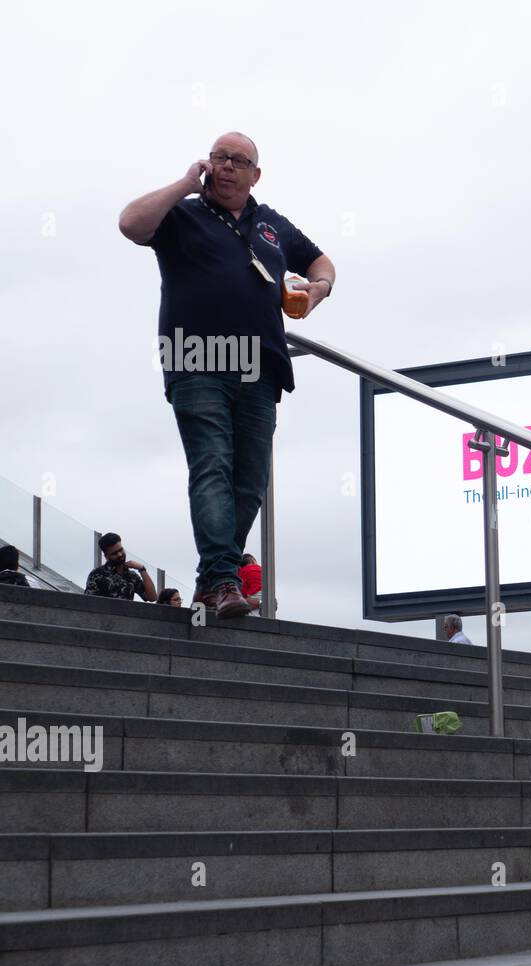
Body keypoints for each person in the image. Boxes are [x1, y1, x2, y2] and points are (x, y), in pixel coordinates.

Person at [119, 132, 336, 620]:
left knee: (249, 481)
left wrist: (318, 288)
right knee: (212, 464)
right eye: (220, 158)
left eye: (239, 161)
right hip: (198, 360)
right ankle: (222, 579)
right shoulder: (182, 214)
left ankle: (211, 581)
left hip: (260, 367)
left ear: (255, 174)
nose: (227, 167)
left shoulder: (272, 225)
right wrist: (183, 184)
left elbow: (322, 261)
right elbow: (131, 223)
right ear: (207, 164)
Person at [85, 533, 157, 602]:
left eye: (120, 550)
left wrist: (142, 569)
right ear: (106, 557)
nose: (119, 554)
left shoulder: (131, 576)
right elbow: (88, 602)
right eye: (114, 553)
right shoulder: (97, 575)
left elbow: (152, 597)